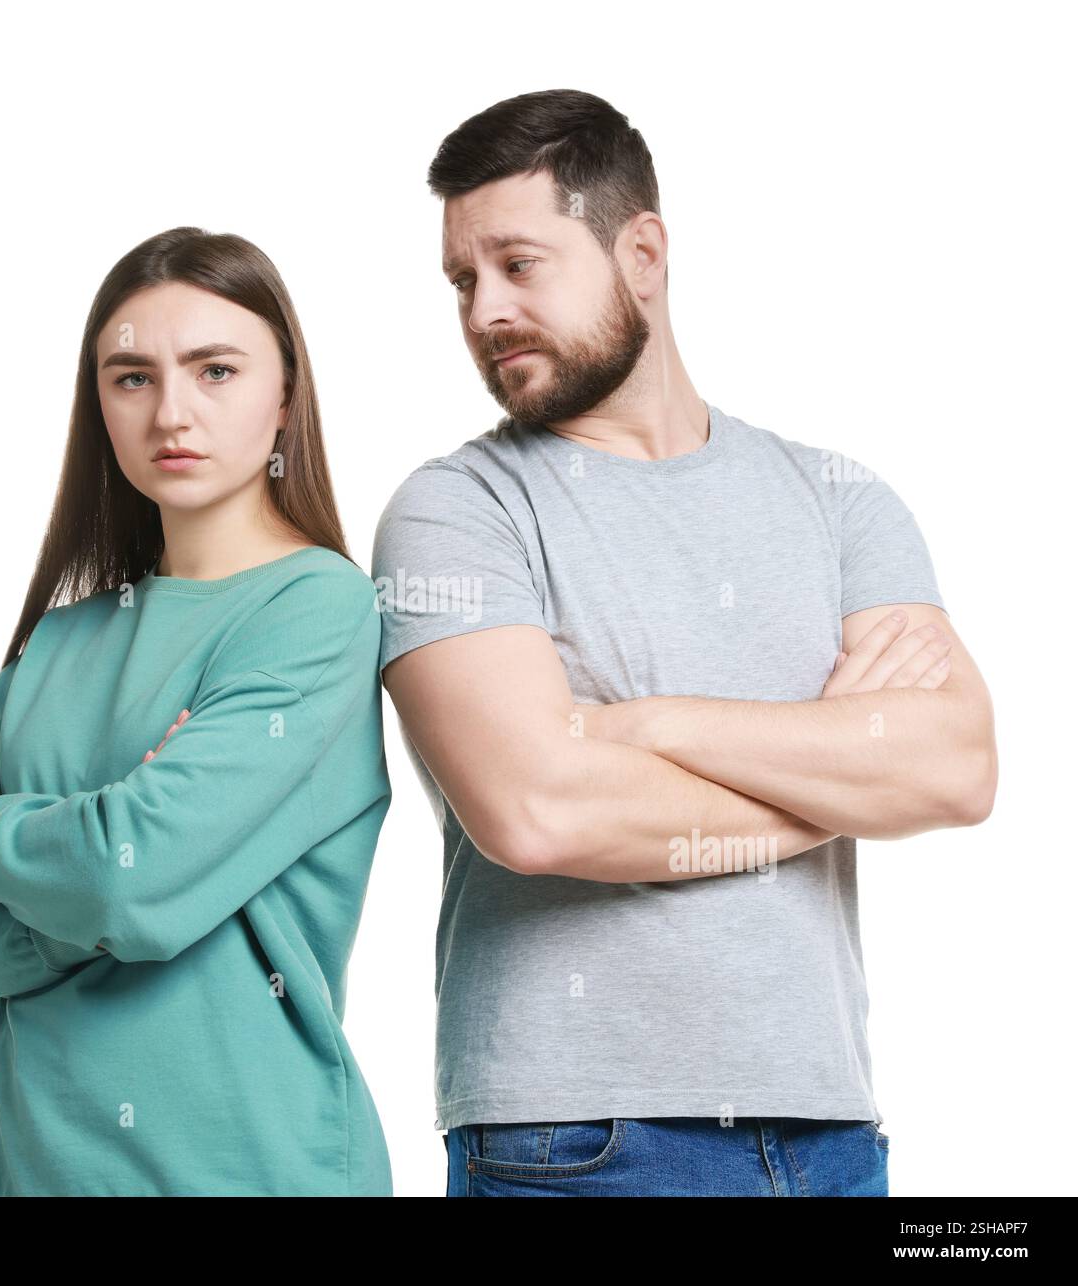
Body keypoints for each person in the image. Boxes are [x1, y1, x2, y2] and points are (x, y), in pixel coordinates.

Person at [372, 89, 997, 1196]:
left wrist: (647, 725)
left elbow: (954, 767)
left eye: (519, 264)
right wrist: (842, 770)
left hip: (827, 1126)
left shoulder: (835, 497)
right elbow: (538, 809)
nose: (483, 310)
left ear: (643, 252)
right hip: (574, 1133)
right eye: (462, 282)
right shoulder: (454, 511)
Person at [0, 227, 393, 1196]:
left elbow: (125, 881)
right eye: (131, 376)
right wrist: (97, 856)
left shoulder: (318, 608)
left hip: (249, 1170)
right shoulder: (59, 641)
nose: (172, 411)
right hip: (20, 1174)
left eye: (215, 369)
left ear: (285, 394)